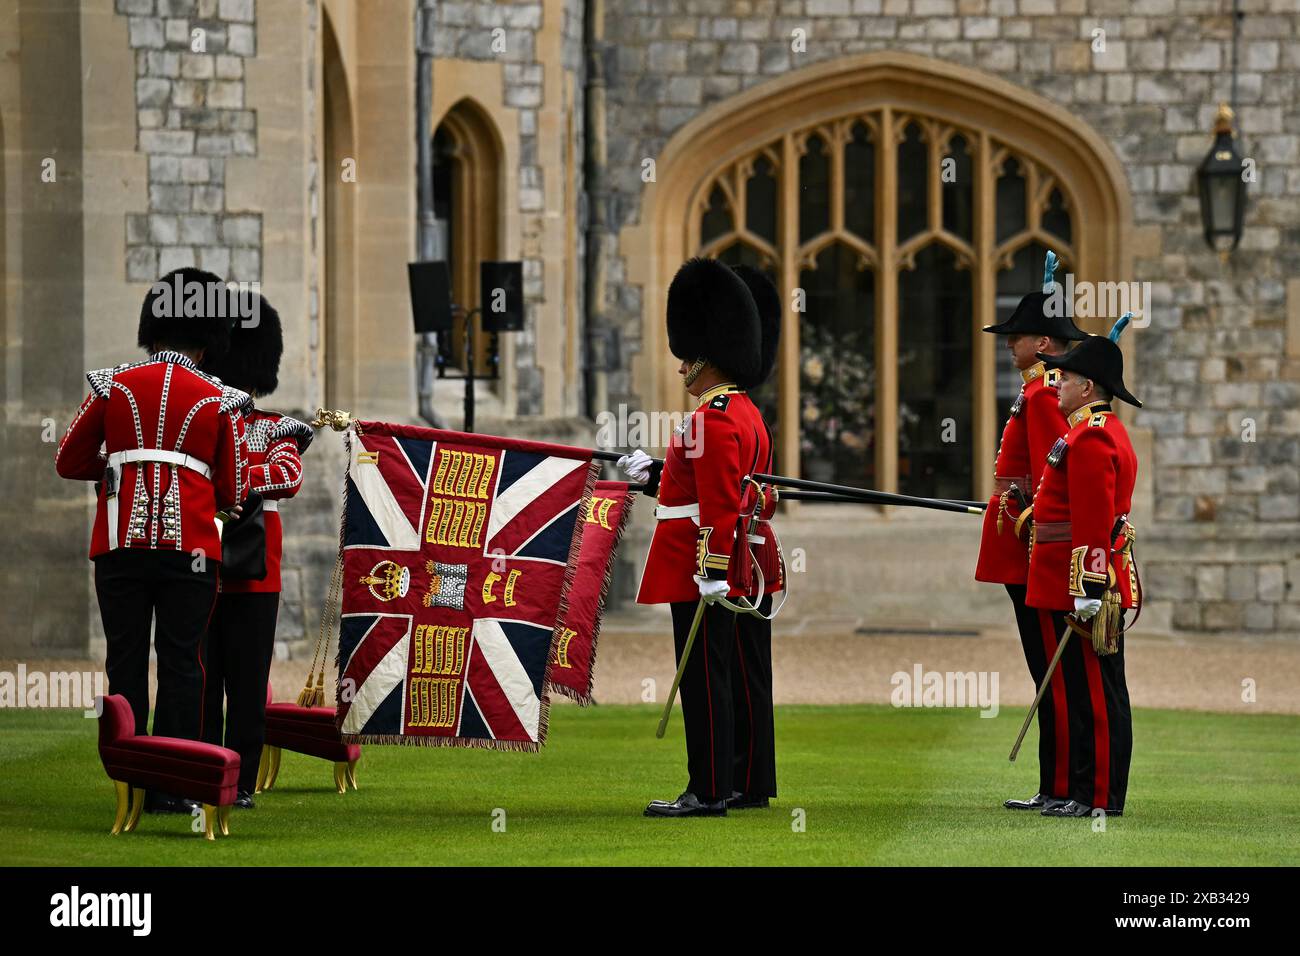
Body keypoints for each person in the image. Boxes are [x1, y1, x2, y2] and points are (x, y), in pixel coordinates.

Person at [55, 267, 248, 814]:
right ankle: (171, 786)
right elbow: (233, 488)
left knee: (125, 663)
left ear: (153, 336)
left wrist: (115, 472)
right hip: (189, 552)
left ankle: (129, 782)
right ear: (207, 347)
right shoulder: (219, 399)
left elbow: (68, 459)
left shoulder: (112, 386)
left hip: (118, 549)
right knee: (184, 665)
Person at [620, 256, 767, 817]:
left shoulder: (713, 418)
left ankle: (706, 790)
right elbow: (706, 488)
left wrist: (710, 569)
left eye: (688, 360)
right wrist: (653, 475)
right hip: (716, 562)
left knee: (704, 682)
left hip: (701, 566)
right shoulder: (741, 412)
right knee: (721, 677)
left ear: (705, 360)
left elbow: (719, 503)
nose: (682, 368)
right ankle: (728, 782)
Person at [974, 251, 1086, 813]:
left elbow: (1049, 476)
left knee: (1054, 674)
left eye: (1016, 335)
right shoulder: (1036, 387)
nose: (1007, 342)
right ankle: (1054, 784)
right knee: (1046, 669)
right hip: (1026, 547)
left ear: (1042, 343)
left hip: (1035, 553)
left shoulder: (1043, 393)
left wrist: (1020, 516)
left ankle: (1063, 785)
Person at [1026, 319, 1141, 818]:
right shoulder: (1086, 433)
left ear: (1087, 387)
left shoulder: (1093, 438)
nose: (1058, 387)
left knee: (1096, 691)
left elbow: (1094, 521)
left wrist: (1090, 584)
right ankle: (1082, 790)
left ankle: (1097, 797)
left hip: (1085, 579)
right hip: (1068, 574)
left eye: (1066, 379)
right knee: (1084, 687)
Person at [200, 295, 312, 809]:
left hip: (255, 571)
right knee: (203, 680)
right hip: (201, 565)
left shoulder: (272, 424)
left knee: (247, 685)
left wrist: (228, 484)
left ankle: (241, 782)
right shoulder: (201, 420)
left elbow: (289, 477)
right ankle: (202, 773)